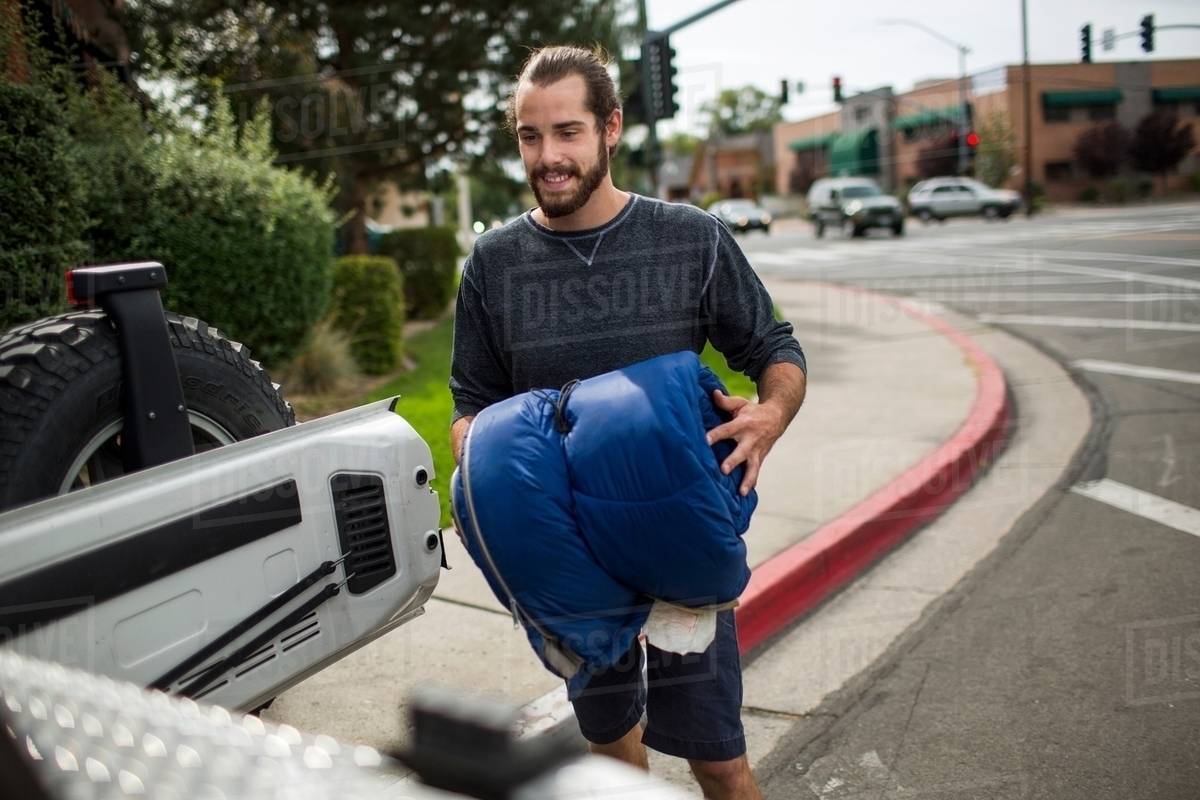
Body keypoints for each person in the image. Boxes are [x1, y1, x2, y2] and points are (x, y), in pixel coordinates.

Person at [448, 45, 806, 800]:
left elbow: (773, 346)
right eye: (530, 136)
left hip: (676, 540)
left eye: (568, 132)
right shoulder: (494, 263)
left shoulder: (690, 238)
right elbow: (470, 406)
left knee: (719, 761)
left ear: (611, 128)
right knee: (611, 761)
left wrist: (770, 414)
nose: (548, 157)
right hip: (575, 562)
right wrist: (496, 483)